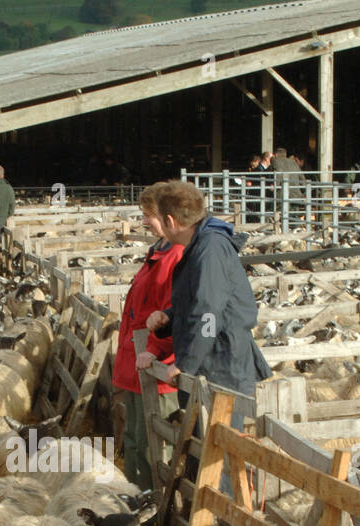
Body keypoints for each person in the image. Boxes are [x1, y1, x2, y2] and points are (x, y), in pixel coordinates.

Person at [144, 180, 271, 401]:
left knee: (218, 434)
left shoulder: (209, 249)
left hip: (220, 369)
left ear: (170, 221)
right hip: (213, 363)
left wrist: (186, 363)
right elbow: (203, 303)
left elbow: (209, 312)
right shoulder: (201, 247)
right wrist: (170, 317)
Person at [112, 183, 184, 491]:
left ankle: (156, 505)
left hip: (157, 367)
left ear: (168, 217)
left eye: (148, 215)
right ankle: (134, 499)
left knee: (154, 442)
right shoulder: (157, 251)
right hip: (137, 360)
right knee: (135, 437)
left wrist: (157, 351)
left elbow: (172, 314)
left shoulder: (176, 258)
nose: (143, 222)